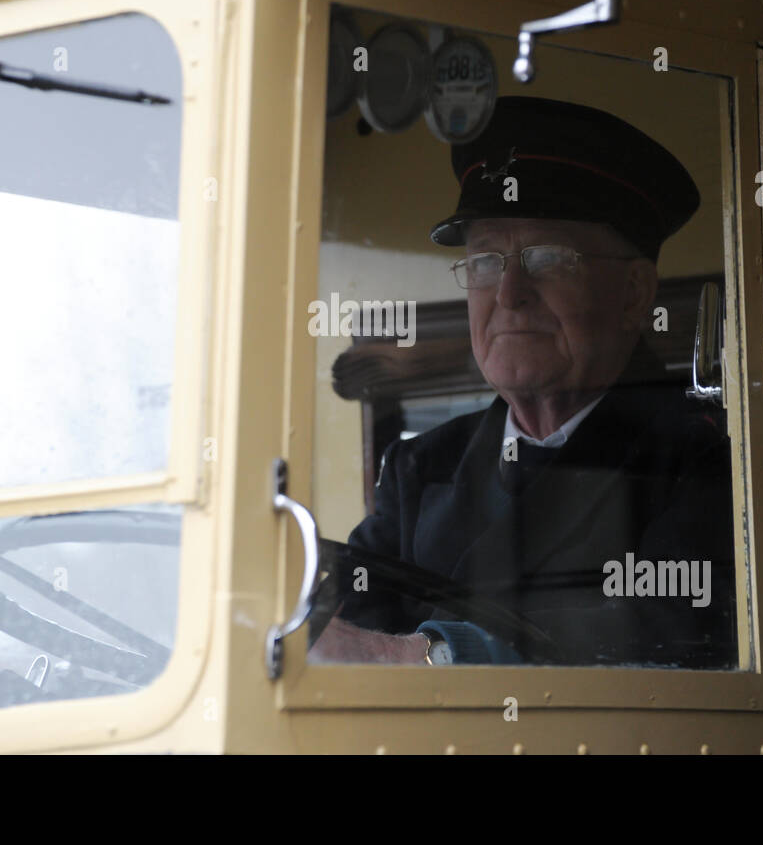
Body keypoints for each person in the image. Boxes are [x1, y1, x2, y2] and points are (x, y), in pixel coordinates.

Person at [308, 96, 737, 668]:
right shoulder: (421, 470)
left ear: (634, 293)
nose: (509, 293)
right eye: (486, 261)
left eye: (546, 258)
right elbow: (343, 615)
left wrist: (429, 655)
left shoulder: (713, 460)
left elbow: (665, 635)